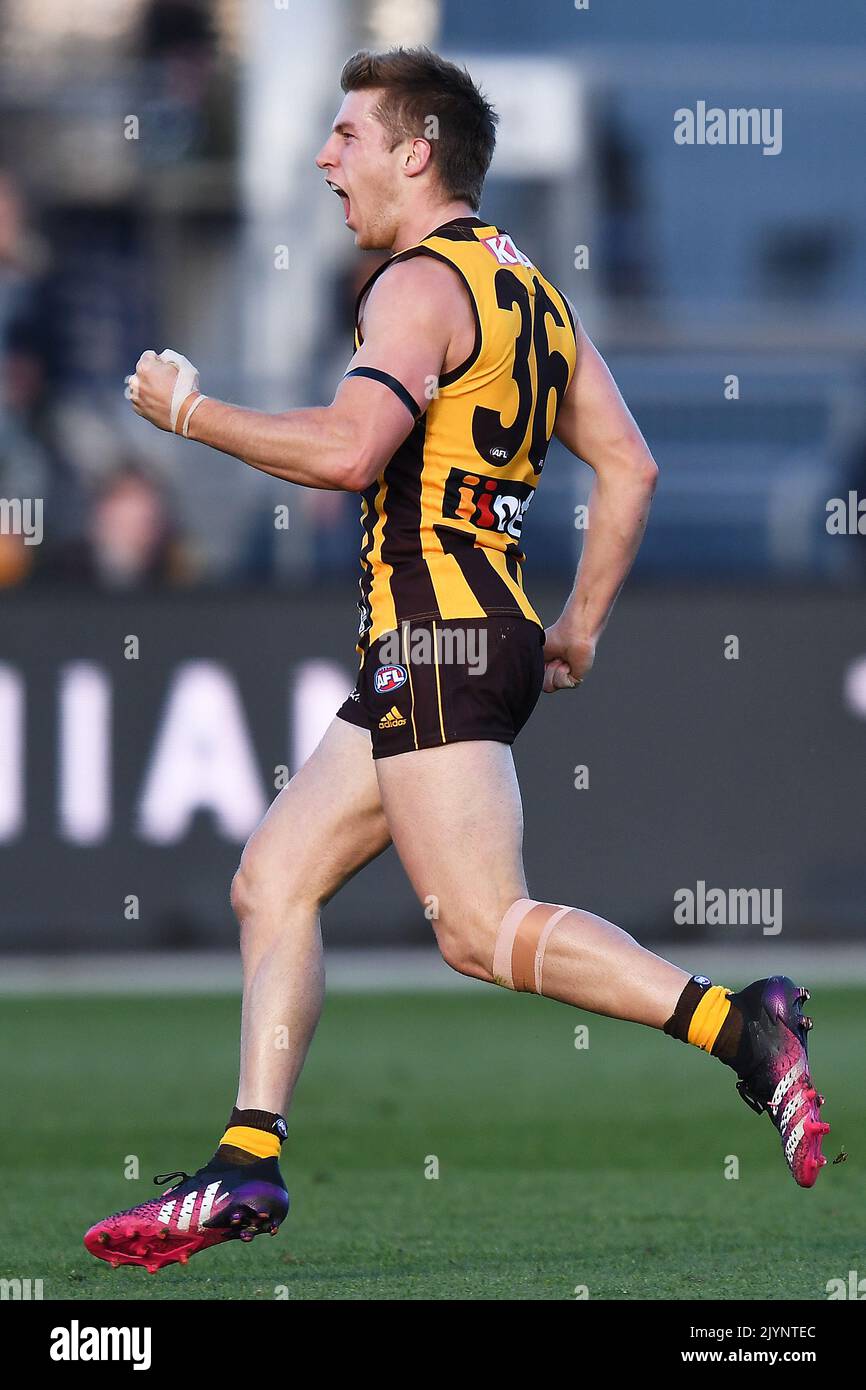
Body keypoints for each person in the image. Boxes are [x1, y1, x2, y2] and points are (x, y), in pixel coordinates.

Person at [84, 47, 828, 1274]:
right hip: (465, 636)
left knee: (480, 929)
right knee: (271, 877)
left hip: (433, 636)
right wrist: (577, 624)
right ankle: (245, 1158)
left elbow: (345, 452)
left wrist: (186, 414)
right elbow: (630, 464)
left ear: (415, 152)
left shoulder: (413, 287)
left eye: (347, 136)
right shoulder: (528, 290)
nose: (328, 159)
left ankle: (740, 1026)